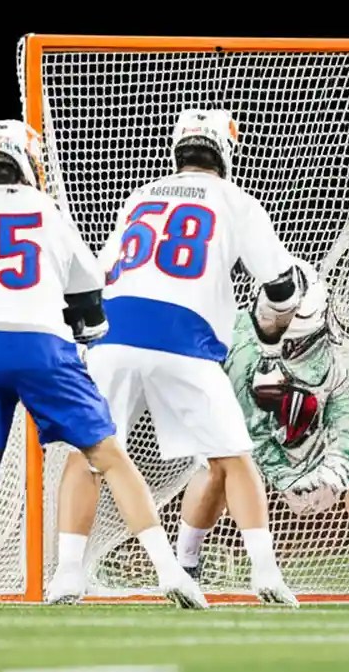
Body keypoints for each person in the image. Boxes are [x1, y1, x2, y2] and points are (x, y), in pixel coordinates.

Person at [0, 120, 205, 610]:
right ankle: (169, 571)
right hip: (44, 347)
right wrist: (82, 324)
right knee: (110, 457)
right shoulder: (48, 211)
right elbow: (90, 310)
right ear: (27, 161)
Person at [44, 108, 302, 607]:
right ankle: (266, 573)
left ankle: (69, 574)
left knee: (89, 455)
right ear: (225, 153)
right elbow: (281, 283)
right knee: (234, 457)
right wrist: (275, 320)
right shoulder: (236, 201)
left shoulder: (141, 196)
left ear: (178, 149)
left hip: (114, 330)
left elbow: (105, 272)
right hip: (184, 336)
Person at [172, 267, 349, 598]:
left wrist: (334, 472)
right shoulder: (236, 337)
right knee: (216, 458)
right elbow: (247, 423)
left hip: (308, 439)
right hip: (242, 439)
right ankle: (184, 565)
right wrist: (287, 478)